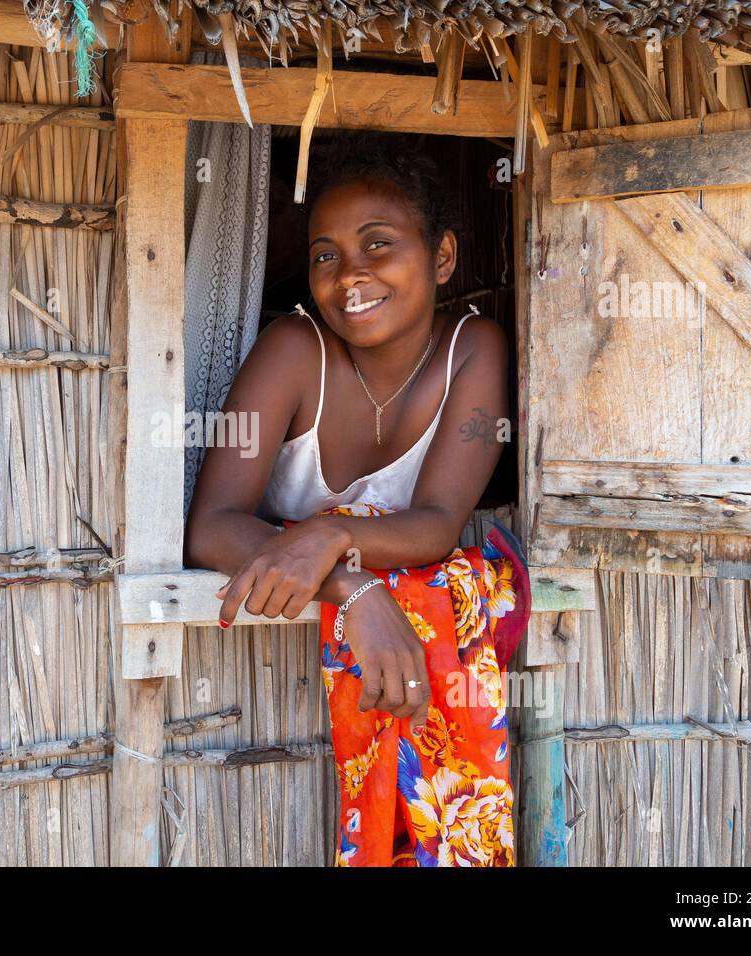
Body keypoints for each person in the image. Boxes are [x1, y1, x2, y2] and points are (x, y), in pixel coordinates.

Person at [184, 139, 531, 867]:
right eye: (325, 255)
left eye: (379, 245)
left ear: (441, 259)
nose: (350, 276)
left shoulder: (474, 349)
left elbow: (437, 523)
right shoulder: (293, 351)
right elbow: (211, 526)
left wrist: (324, 535)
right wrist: (349, 582)